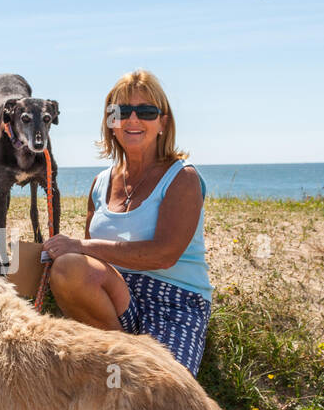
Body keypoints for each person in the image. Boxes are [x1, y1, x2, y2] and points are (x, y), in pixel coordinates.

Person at [43, 69, 213, 376]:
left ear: (163, 123)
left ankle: (128, 369)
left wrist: (79, 244)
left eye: (146, 112)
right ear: (110, 122)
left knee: (162, 397)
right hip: (114, 298)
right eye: (121, 111)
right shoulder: (100, 183)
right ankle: (124, 359)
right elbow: (89, 260)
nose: (133, 120)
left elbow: (164, 255)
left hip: (173, 302)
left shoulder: (183, 178)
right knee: (69, 266)